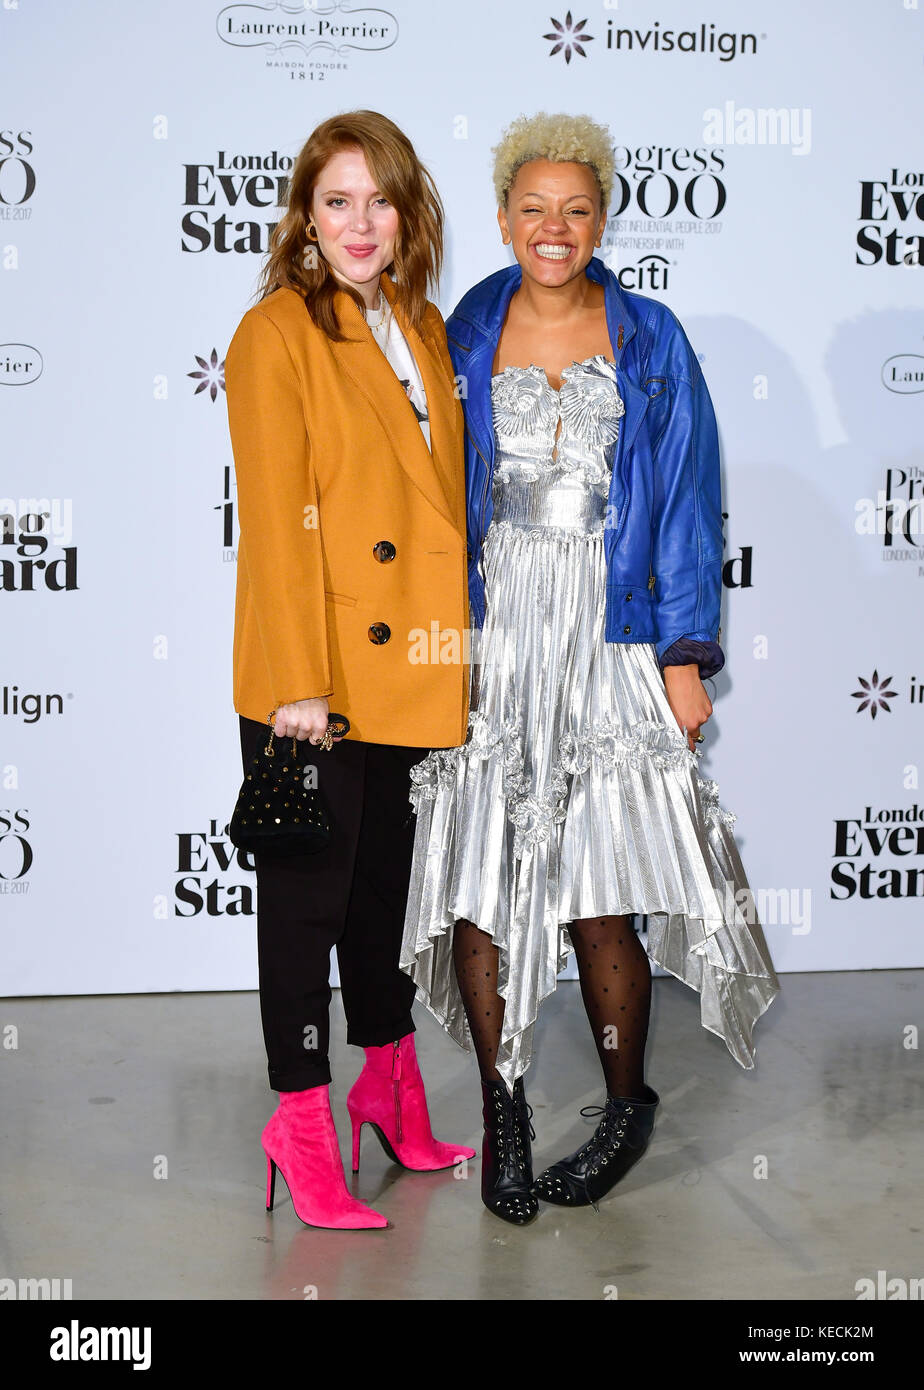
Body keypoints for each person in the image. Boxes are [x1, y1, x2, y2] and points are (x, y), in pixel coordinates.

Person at [400, 112, 780, 1225]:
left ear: (601, 216)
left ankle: (624, 1107)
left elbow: (683, 499)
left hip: (610, 625)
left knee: (599, 878)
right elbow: (427, 494)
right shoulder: (464, 325)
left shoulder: (651, 334)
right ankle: (503, 1109)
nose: (553, 228)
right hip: (499, 624)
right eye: (533, 207)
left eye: (576, 208)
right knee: (484, 873)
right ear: (504, 214)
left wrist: (684, 655)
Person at [224, 109, 475, 1232]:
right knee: (306, 905)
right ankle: (299, 1114)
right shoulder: (275, 331)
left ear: (406, 209)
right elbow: (278, 526)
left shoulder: (419, 325)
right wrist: (297, 687)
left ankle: (389, 1084)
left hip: (414, 668)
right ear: (306, 217)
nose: (360, 222)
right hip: (318, 677)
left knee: (385, 901)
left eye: (379, 199)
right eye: (337, 200)